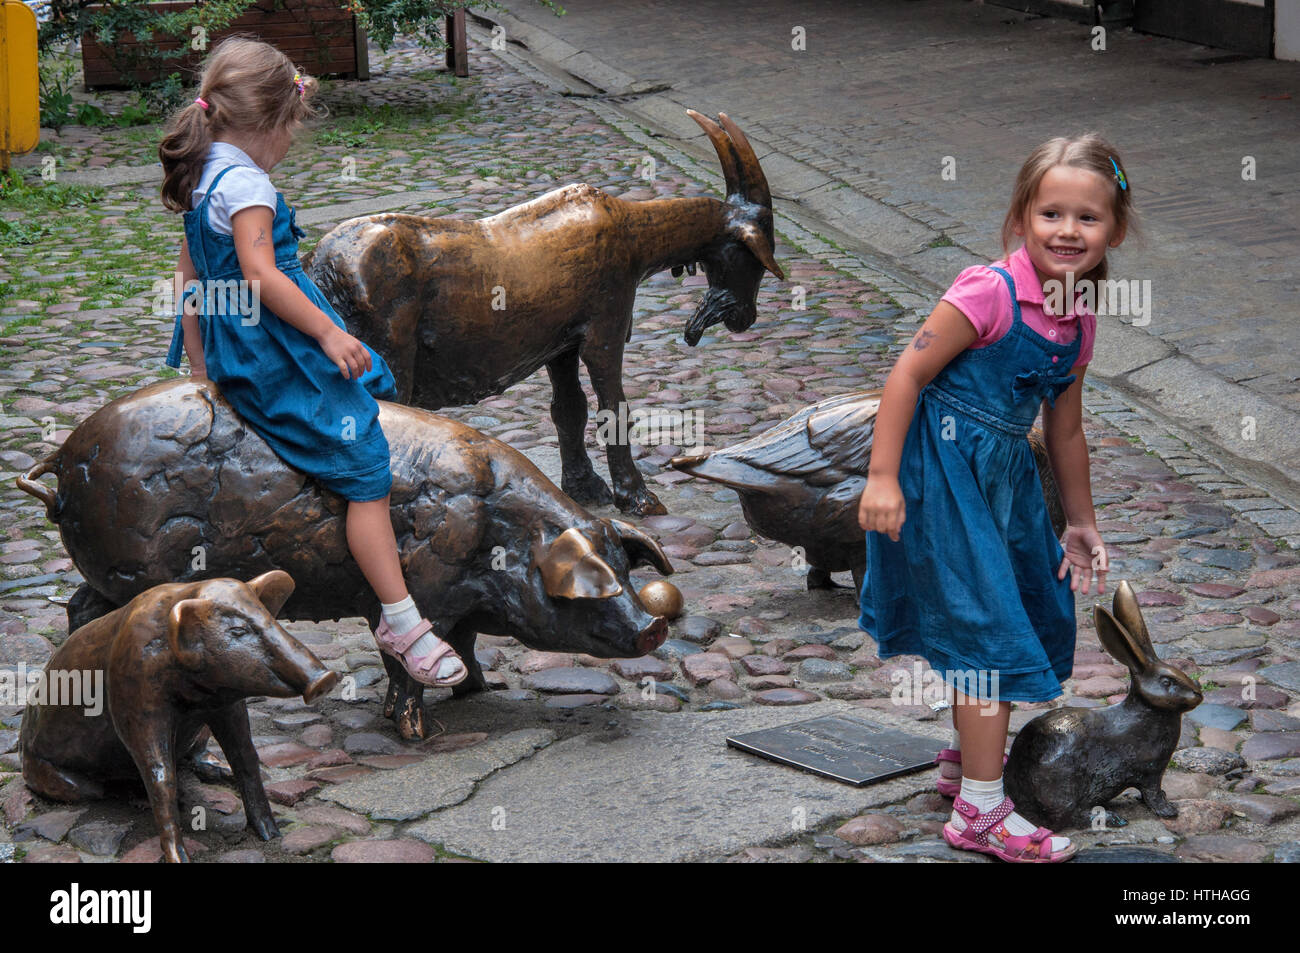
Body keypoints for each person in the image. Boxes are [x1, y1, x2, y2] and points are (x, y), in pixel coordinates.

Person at [857, 134, 1135, 862]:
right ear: (1020, 218)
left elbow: (1065, 431)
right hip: (940, 476)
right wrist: (883, 477)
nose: (1067, 231)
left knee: (1012, 613)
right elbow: (906, 376)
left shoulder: (1077, 323)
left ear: (1115, 230)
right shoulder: (988, 290)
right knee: (985, 630)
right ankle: (980, 813)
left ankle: (966, 761)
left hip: (1003, 483)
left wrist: (1079, 520)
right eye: (1051, 213)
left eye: (1087, 218)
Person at [159, 37, 466, 687]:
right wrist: (327, 334)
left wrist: (198, 366)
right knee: (366, 466)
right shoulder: (246, 183)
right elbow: (261, 273)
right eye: (294, 126)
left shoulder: (202, 167)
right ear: (273, 122)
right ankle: (401, 620)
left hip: (232, 344)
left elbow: (190, 278)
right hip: (270, 354)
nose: (293, 141)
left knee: (369, 387)